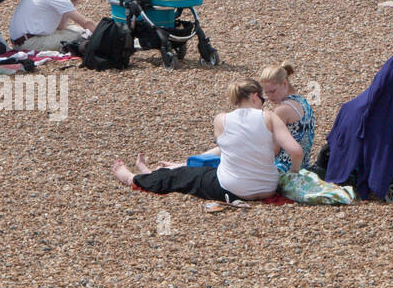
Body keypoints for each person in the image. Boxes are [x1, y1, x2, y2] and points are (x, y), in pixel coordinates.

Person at [110, 80, 301, 201]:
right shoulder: (268, 117)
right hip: (268, 187)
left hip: (234, 189)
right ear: (253, 96)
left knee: (183, 177)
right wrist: (294, 173)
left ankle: (132, 178)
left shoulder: (222, 120)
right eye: (262, 98)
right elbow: (296, 151)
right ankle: (156, 171)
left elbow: (229, 150)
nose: (263, 103)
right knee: (194, 170)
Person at [259, 62, 315, 174]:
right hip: (303, 165)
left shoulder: (282, 110)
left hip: (285, 168)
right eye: (266, 93)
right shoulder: (302, 102)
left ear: (285, 83)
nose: (269, 97)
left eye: (273, 91)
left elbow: (275, 150)